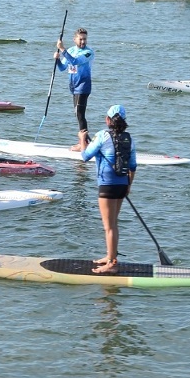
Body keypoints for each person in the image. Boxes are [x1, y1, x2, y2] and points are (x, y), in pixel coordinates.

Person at [81, 105, 136, 275]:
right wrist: (128, 186)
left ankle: (112, 264)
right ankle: (110, 256)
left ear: (107, 120)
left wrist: (82, 139)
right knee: (113, 224)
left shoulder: (102, 135)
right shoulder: (129, 138)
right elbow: (133, 166)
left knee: (108, 226)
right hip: (122, 185)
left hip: (107, 185)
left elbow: (85, 156)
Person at [56, 27, 94, 151]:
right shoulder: (71, 50)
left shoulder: (88, 52)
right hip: (73, 87)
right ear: (74, 39)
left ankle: (84, 143)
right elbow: (62, 68)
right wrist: (57, 60)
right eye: (81, 39)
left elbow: (75, 61)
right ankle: (87, 141)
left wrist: (62, 49)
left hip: (84, 86)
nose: (83, 42)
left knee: (80, 113)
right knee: (78, 114)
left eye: (85, 39)